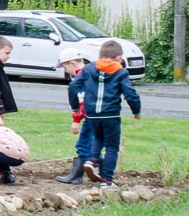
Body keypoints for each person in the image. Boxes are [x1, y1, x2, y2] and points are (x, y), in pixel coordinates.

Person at [72, 40, 142, 187]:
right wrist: (136, 110)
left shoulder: (88, 68)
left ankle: (92, 161)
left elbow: (73, 86)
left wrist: (75, 107)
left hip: (92, 114)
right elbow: (130, 94)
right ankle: (107, 181)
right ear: (118, 57)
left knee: (98, 138)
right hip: (111, 115)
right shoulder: (121, 72)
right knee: (111, 147)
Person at [53, 47, 98, 184]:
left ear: (72, 63)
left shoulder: (82, 77)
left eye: (65, 67)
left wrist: (76, 120)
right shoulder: (92, 73)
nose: (66, 71)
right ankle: (96, 170)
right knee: (93, 144)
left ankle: (80, 174)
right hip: (98, 115)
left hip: (91, 116)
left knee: (83, 144)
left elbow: (83, 101)